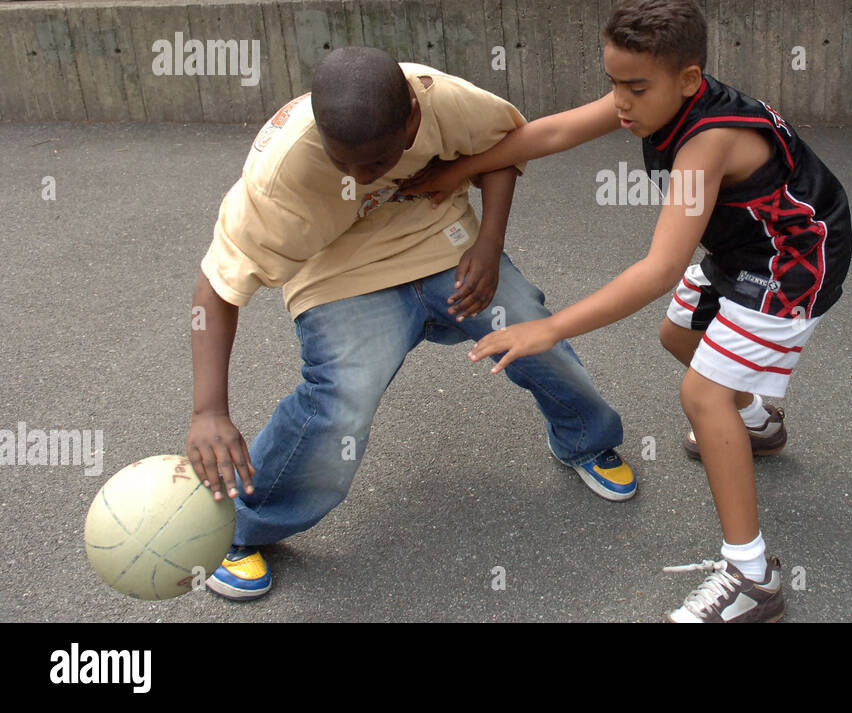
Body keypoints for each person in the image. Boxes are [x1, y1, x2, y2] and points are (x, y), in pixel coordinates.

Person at [399, 0, 852, 622]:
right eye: (613, 83)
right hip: (743, 248)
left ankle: (752, 578)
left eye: (634, 88)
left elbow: (659, 268)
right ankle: (756, 424)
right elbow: (553, 131)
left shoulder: (706, 141)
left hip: (792, 265)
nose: (620, 102)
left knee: (702, 394)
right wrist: (460, 169)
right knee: (677, 337)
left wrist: (545, 328)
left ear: (688, 79)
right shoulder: (657, 96)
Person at [187, 46, 636, 601]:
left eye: (374, 164)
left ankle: (586, 439)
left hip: (440, 241)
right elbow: (217, 285)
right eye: (341, 161)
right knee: (340, 399)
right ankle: (243, 525)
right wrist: (209, 411)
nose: (357, 177)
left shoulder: (439, 98)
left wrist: (489, 245)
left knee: (529, 327)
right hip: (339, 274)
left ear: (412, 123)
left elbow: (500, 147)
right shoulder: (280, 173)